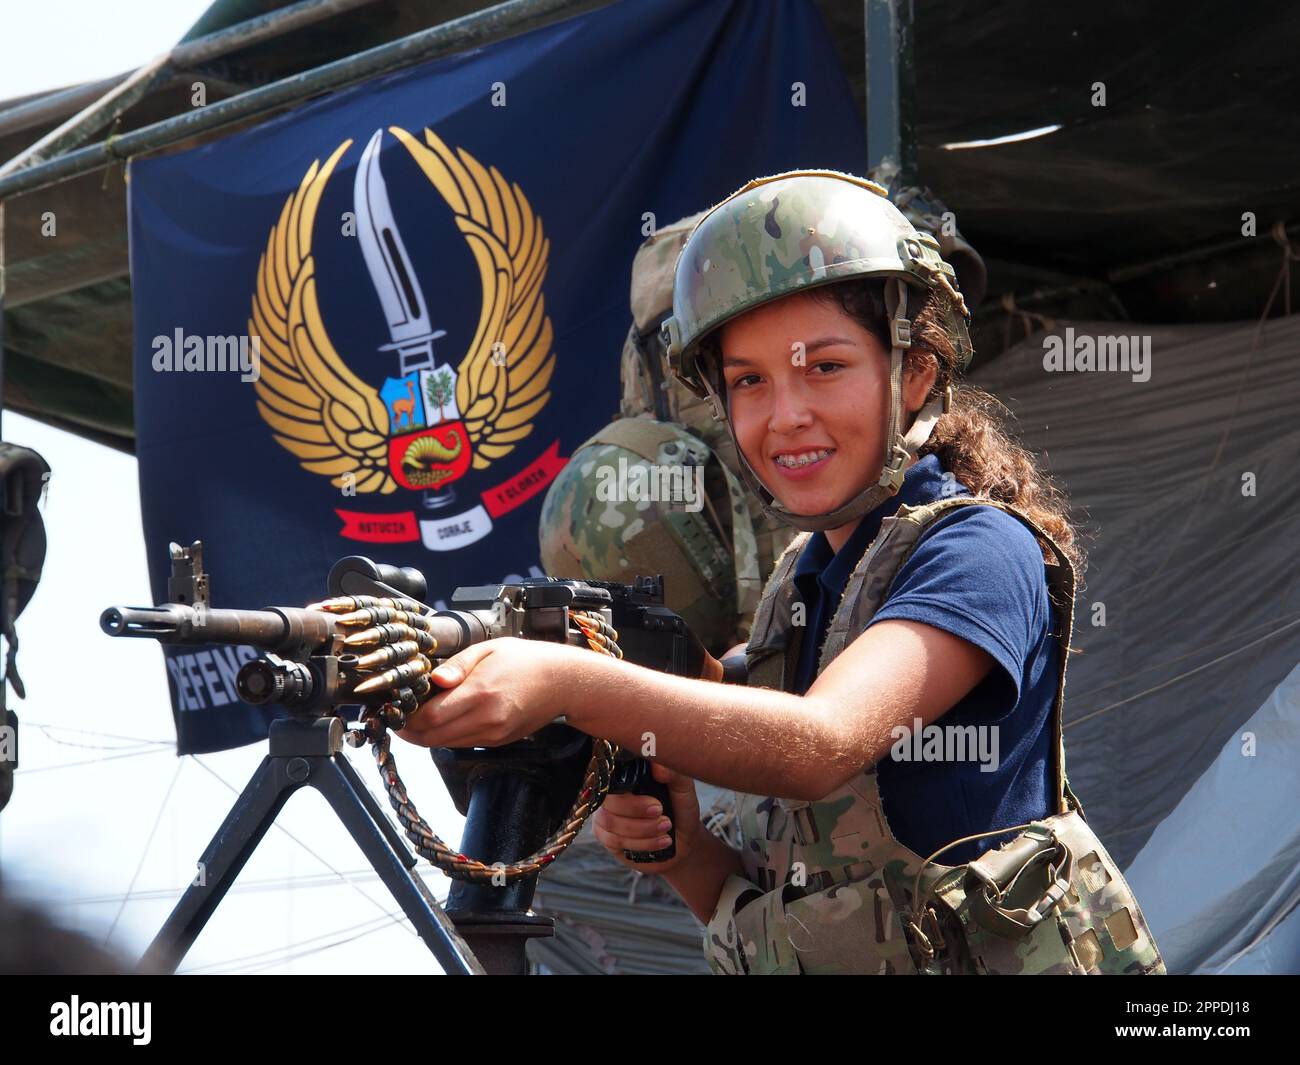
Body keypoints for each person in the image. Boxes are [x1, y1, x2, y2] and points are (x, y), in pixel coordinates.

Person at [398, 169, 1164, 975]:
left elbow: (820, 743)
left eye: (825, 367)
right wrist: (684, 851)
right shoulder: (810, 578)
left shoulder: (977, 550)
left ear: (912, 371)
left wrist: (565, 681)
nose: (786, 413)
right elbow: (791, 925)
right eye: (749, 382)